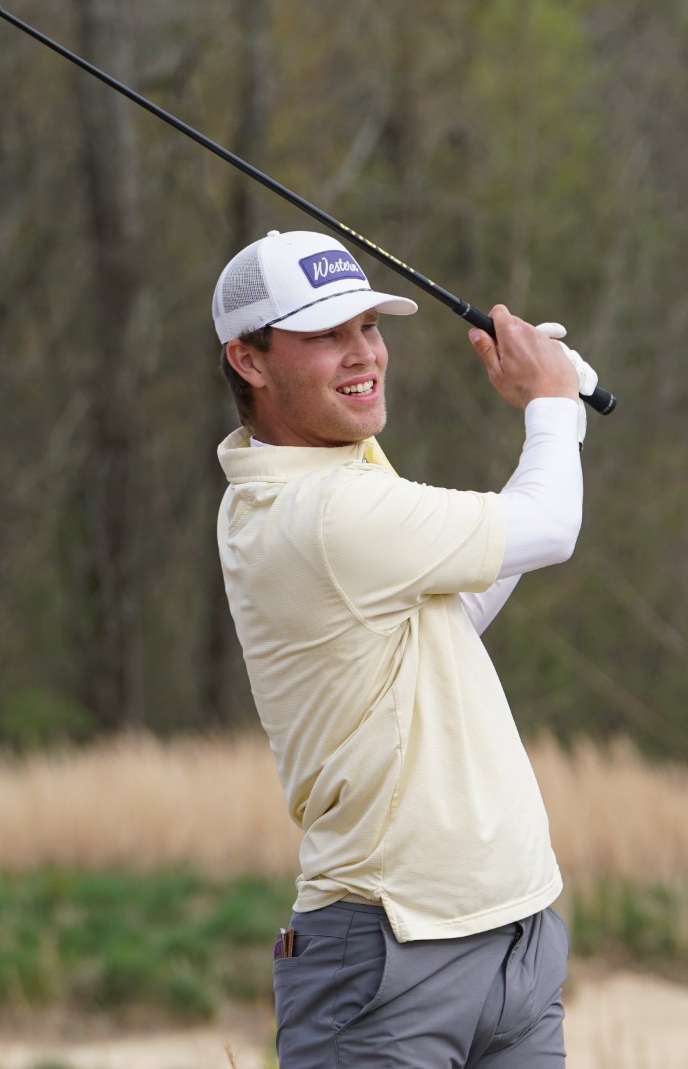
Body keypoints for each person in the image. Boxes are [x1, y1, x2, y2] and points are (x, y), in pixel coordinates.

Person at [210, 229, 596, 1069]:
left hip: (515, 938)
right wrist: (552, 407)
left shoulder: (345, 481)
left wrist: (559, 423)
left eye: (369, 328)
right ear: (249, 359)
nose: (363, 356)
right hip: (388, 952)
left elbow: (460, 602)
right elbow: (552, 526)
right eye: (324, 335)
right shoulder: (318, 512)